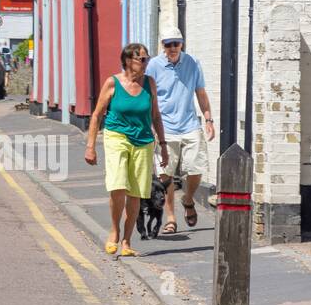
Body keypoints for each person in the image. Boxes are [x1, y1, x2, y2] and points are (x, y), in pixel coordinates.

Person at [84, 42, 169, 257]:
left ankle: (127, 241)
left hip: (144, 141)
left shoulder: (150, 84)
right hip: (116, 136)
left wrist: (164, 146)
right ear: (128, 61)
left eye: (147, 59)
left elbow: (156, 116)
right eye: (142, 59)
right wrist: (90, 147)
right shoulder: (113, 83)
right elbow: (96, 115)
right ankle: (114, 230)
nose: (145, 62)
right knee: (117, 185)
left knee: (136, 193)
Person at [145, 27, 215, 234]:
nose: (173, 48)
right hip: (164, 127)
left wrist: (209, 118)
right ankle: (171, 218)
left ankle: (188, 199)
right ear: (162, 46)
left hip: (190, 124)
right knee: (165, 176)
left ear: (182, 44)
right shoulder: (154, 66)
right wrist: (151, 127)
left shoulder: (193, 63)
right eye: (168, 44)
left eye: (176, 43)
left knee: (196, 169)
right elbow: (149, 98)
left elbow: (200, 92)